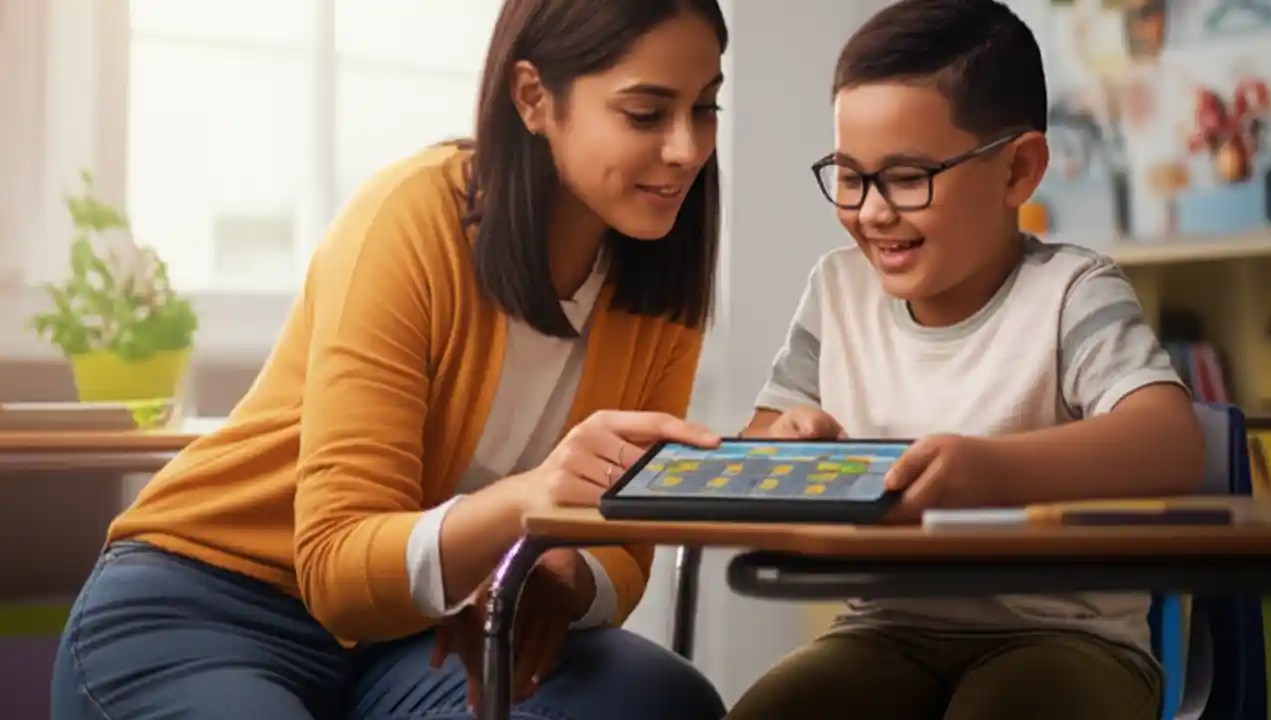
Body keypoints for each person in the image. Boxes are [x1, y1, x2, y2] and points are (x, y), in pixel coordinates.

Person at [50, 1, 731, 718]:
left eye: (707, 107)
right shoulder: (412, 216)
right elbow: (336, 567)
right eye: (646, 114)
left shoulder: (658, 266)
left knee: (661, 702)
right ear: (533, 97)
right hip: (206, 606)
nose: (688, 148)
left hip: (409, 642)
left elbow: (623, 553)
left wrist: (557, 576)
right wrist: (523, 505)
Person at [726, 1, 1205, 719]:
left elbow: (1171, 442)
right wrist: (792, 447)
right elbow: (757, 448)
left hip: (1066, 640)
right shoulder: (837, 292)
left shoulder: (1072, 293)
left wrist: (993, 469)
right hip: (882, 629)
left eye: (909, 176)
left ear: (1018, 170)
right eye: (850, 177)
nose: (873, 212)